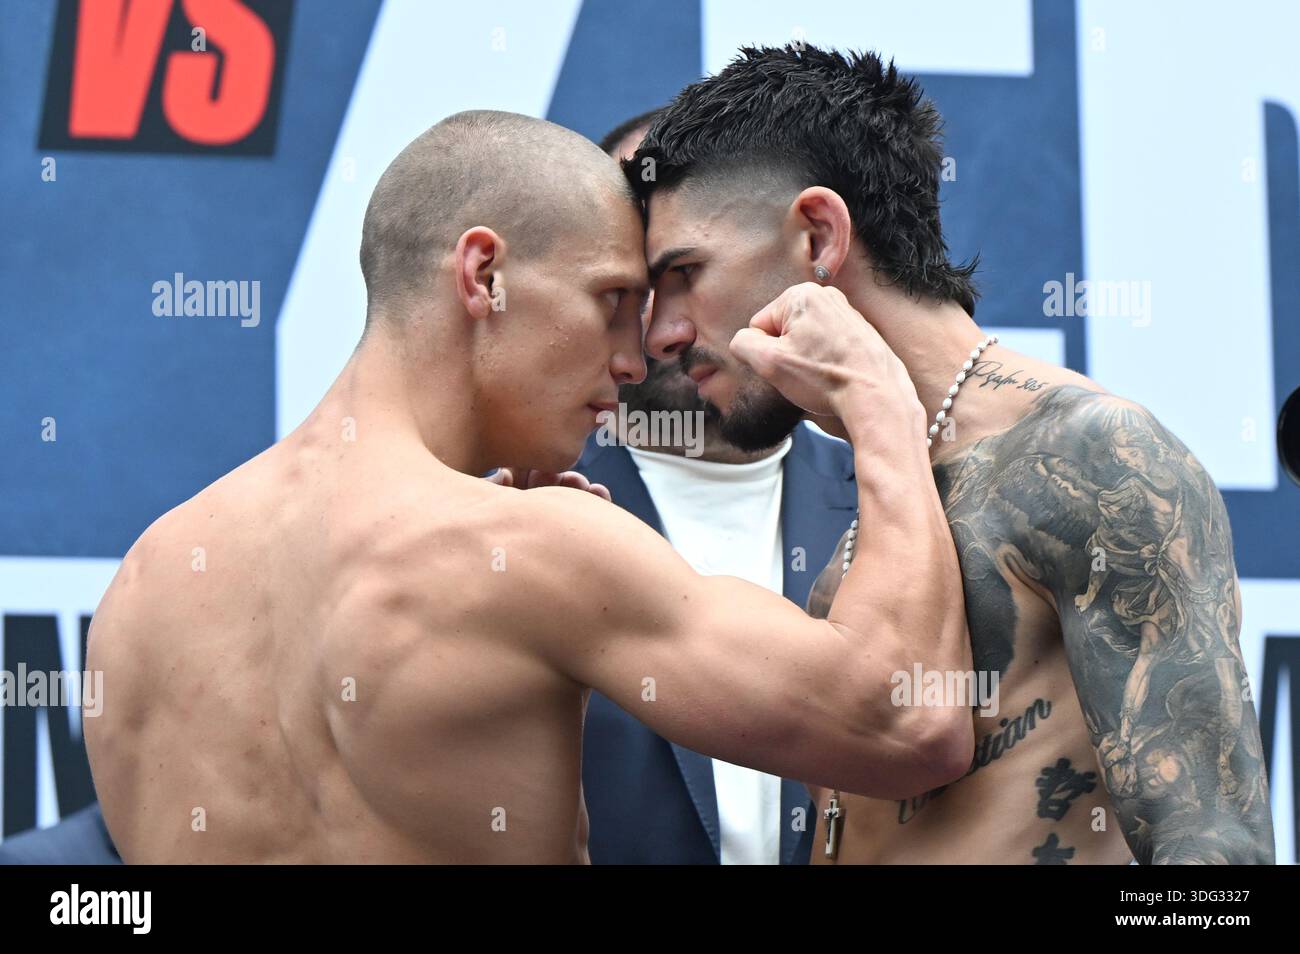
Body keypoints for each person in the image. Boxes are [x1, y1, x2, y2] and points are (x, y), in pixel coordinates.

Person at [84, 110, 971, 863]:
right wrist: (881, 399)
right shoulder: (541, 552)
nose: (632, 361)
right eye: (610, 301)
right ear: (483, 275)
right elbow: (912, 725)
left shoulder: (147, 585)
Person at [627, 46, 1275, 864]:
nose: (662, 333)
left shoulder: (1095, 456)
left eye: (684, 273)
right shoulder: (879, 499)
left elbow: (1219, 871)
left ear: (818, 236)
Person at [578, 112, 855, 864]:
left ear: (806, 249)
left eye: (690, 273)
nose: (666, 326)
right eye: (635, 286)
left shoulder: (901, 516)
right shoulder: (514, 519)